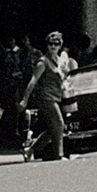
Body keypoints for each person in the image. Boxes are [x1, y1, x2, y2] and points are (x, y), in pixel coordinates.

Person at [22, 32, 72, 161]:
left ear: (60, 45)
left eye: (56, 44)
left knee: (52, 128)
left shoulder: (60, 61)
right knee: (59, 124)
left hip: (57, 96)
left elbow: (65, 77)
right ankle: (59, 155)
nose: (53, 46)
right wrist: (24, 99)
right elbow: (33, 80)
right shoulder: (43, 62)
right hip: (46, 97)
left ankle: (31, 149)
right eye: (51, 44)